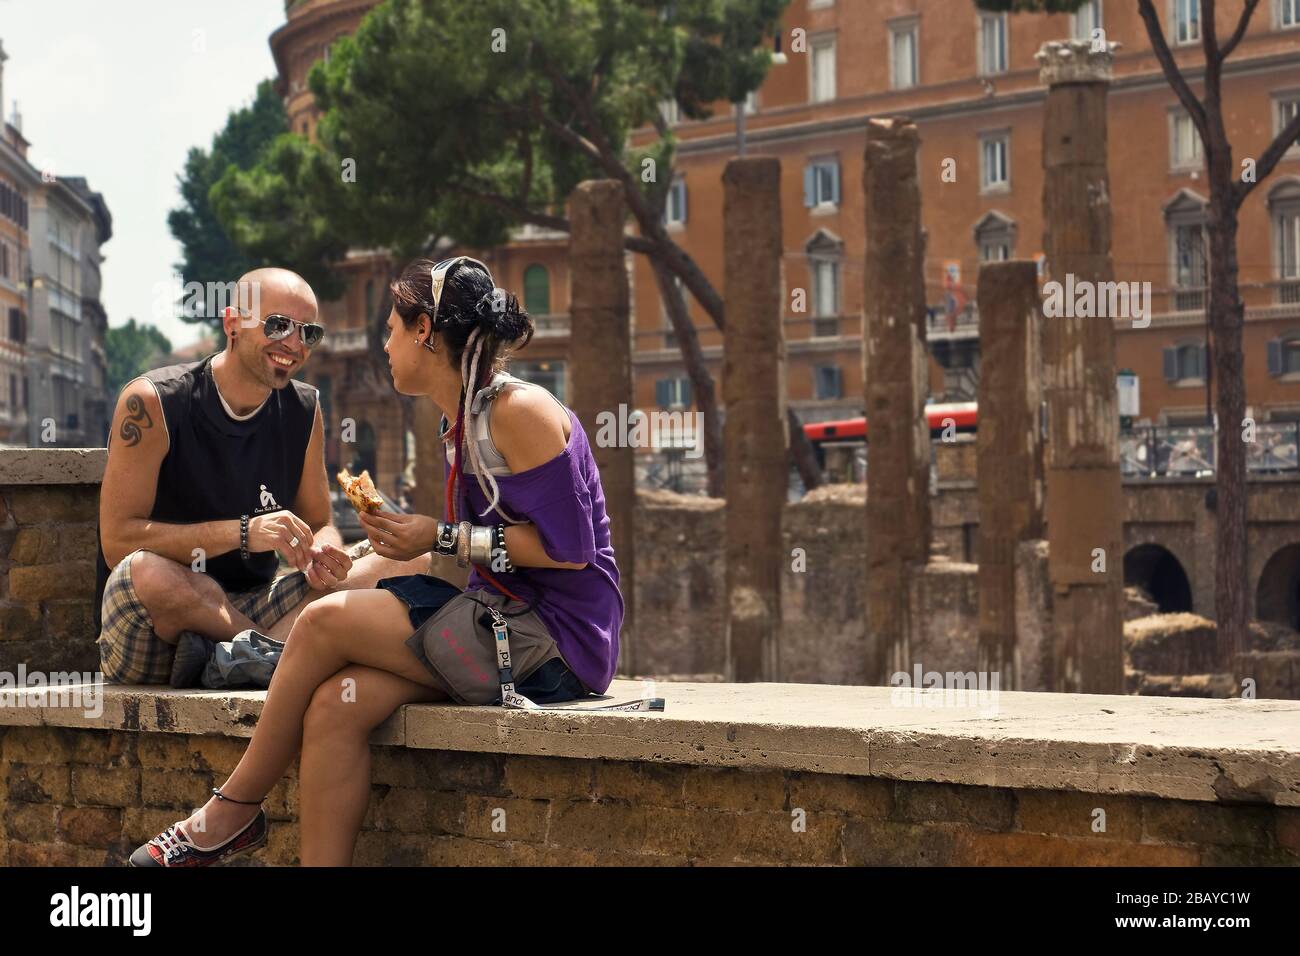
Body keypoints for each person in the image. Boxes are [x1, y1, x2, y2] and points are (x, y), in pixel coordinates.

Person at [129, 256, 624, 867]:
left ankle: (230, 814)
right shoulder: (463, 419)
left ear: (424, 331)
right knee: (339, 704)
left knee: (321, 622)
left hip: (556, 647)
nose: (384, 345)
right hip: (500, 624)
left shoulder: (518, 412)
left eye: (391, 328)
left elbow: (568, 555)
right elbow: (486, 541)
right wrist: (416, 540)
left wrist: (438, 536)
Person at [95, 267, 431, 688]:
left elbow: (320, 523)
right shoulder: (152, 402)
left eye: (308, 332)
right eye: (277, 325)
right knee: (147, 571)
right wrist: (242, 533)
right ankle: (271, 652)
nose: (292, 343)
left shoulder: (305, 407)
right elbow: (117, 543)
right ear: (232, 323)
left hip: (252, 608)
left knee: (410, 559)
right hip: (155, 623)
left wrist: (323, 554)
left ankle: (252, 656)